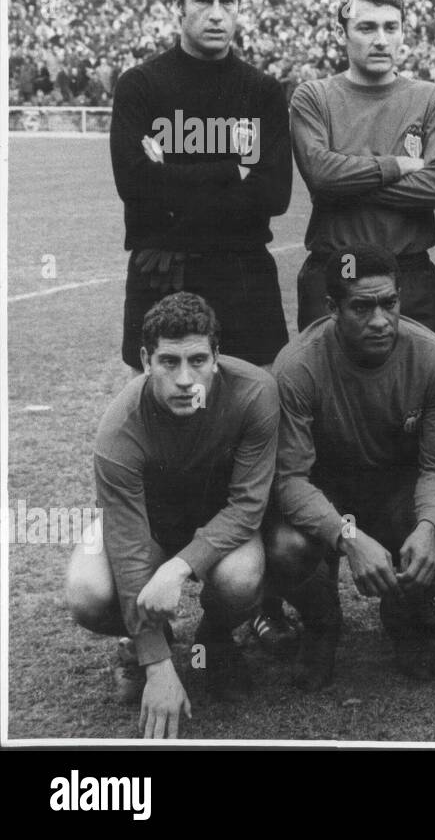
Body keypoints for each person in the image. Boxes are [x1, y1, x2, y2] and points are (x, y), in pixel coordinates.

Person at [65, 293, 278, 739]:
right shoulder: (119, 429)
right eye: (169, 362)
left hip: (219, 525)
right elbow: (126, 544)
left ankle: (215, 640)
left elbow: (247, 506)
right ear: (145, 359)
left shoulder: (256, 392)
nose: (185, 379)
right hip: (146, 528)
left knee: (241, 577)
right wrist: (157, 664)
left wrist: (180, 567)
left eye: (198, 359)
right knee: (87, 592)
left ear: (217, 356)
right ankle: (140, 643)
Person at [264, 246, 435, 689]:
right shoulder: (297, 366)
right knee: (283, 546)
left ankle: (404, 615)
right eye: (362, 307)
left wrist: (428, 527)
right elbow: (290, 479)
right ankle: (322, 623)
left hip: (399, 492)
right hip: (326, 492)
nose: (380, 320)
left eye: (389, 304)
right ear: (331, 308)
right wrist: (348, 537)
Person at [109, 0, 291, 372]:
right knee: (157, 409)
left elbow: (274, 195)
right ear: (178, 6)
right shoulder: (139, 86)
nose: (216, 13)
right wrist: (233, 170)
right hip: (162, 273)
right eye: (203, 0)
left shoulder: (262, 90)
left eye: (227, 1)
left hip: (244, 274)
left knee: (254, 408)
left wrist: (170, 177)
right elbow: (134, 185)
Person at [289, 0, 435, 335]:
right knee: (328, 387)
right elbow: (321, 175)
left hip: (409, 273)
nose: (380, 39)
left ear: (403, 33)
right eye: (366, 27)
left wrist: (346, 177)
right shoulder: (314, 96)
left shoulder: (430, 98)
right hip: (334, 272)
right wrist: (395, 165)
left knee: (415, 386)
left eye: (390, 27)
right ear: (342, 33)